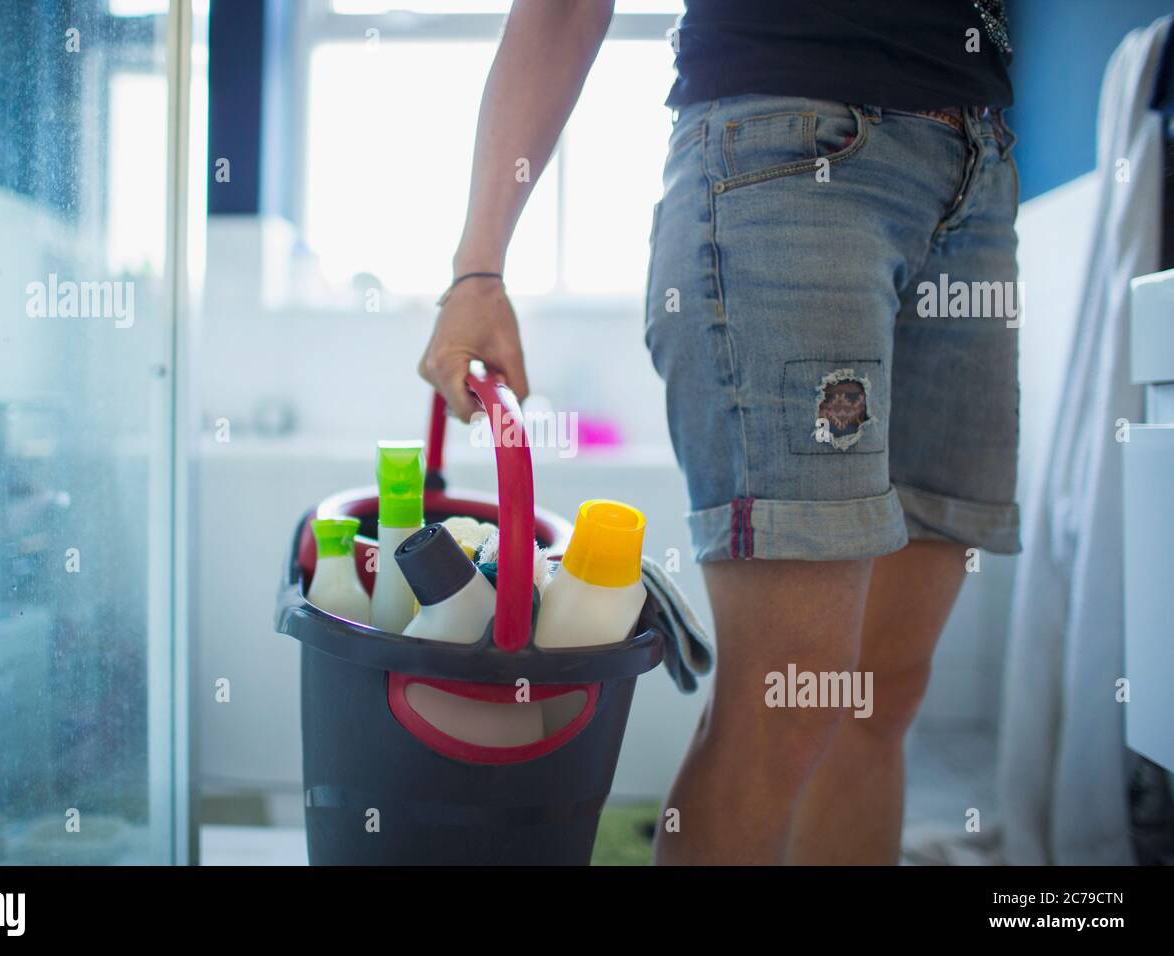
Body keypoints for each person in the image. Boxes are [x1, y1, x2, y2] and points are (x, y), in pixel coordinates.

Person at [419, 0, 1019, 865]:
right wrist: (478, 267)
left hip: (979, 169)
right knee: (789, 704)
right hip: (789, 158)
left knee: (875, 696)